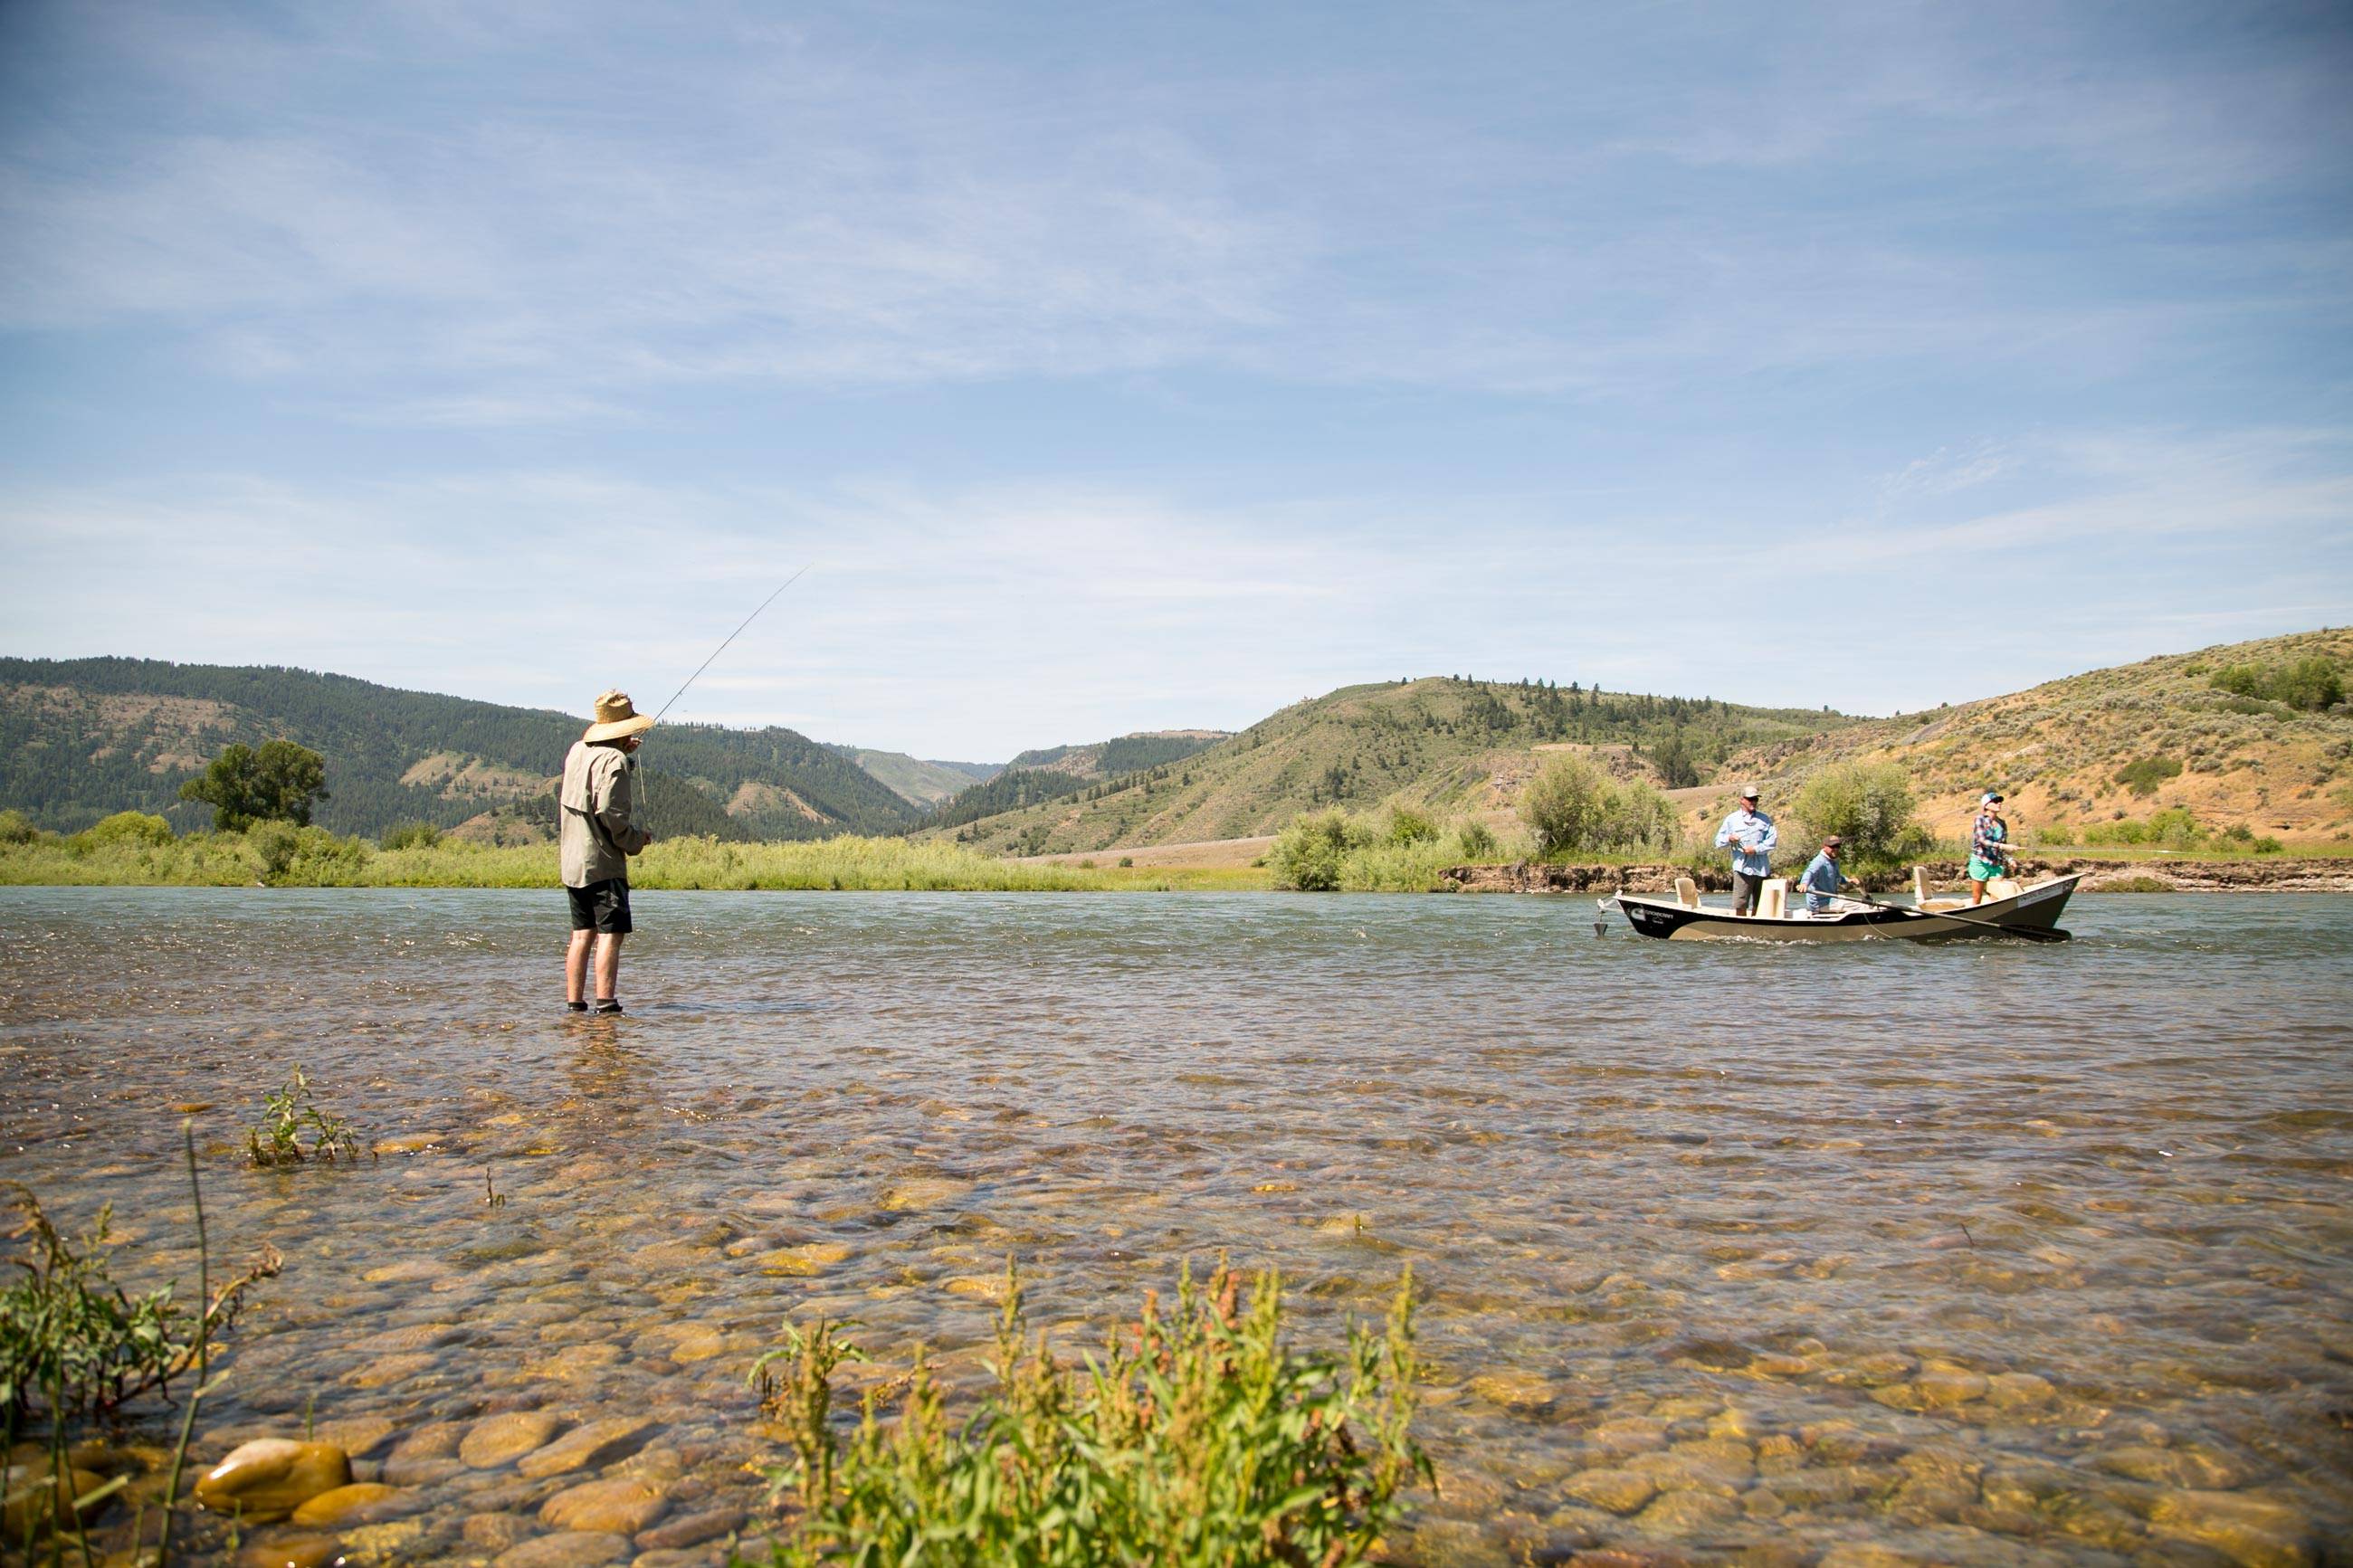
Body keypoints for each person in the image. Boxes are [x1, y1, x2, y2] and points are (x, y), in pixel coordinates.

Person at [560, 689, 656, 1013]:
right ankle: (607, 1004)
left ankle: (575, 1005)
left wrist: (622, 751)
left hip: (573, 863)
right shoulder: (614, 761)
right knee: (610, 934)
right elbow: (611, 816)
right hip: (603, 863)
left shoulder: (576, 751)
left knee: (581, 933)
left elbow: (591, 780)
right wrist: (636, 841)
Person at [1713, 784, 1777, 917]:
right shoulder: (1732, 819)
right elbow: (1718, 841)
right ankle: (1740, 931)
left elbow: (1772, 841)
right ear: (1741, 800)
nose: (1753, 802)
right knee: (1740, 904)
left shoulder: (1765, 819)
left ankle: (1757, 930)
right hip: (1742, 869)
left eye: (1756, 799)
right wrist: (1729, 838)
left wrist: (1755, 849)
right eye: (1750, 799)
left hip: (1762, 869)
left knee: (1762, 905)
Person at [1967, 791, 2016, 907]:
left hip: (1996, 864)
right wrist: (2002, 846)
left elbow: (2003, 845)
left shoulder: (2002, 823)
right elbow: (1982, 840)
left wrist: (2010, 859)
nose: (1999, 803)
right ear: (1986, 805)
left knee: (1997, 898)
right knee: (1977, 897)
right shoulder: (1980, 819)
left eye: (1999, 801)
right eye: (1995, 801)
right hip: (1980, 861)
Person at [1799, 835, 1860, 915]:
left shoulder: (1833, 860)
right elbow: (1810, 872)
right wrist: (1804, 883)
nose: (1835, 849)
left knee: (1847, 899)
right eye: (1832, 846)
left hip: (1832, 899)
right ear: (1824, 847)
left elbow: (1836, 877)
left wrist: (1848, 880)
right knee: (1861, 906)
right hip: (1820, 903)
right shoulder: (1819, 862)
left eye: (1838, 846)